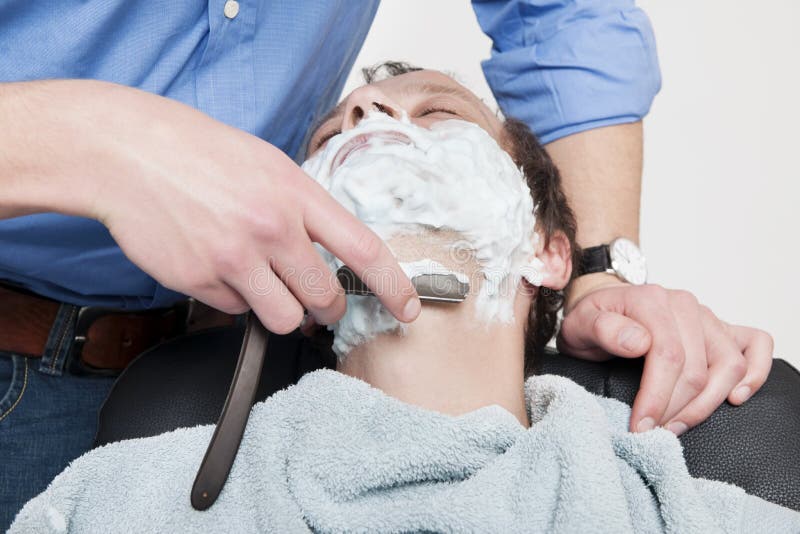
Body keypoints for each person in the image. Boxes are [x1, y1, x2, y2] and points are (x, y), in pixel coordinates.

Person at [0, 1, 774, 527]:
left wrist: (602, 274)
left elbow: (562, 14)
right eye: (331, 130)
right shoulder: (109, 506)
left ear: (547, 252)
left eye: (435, 113)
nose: (364, 113)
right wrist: (95, 142)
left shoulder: (685, 508)